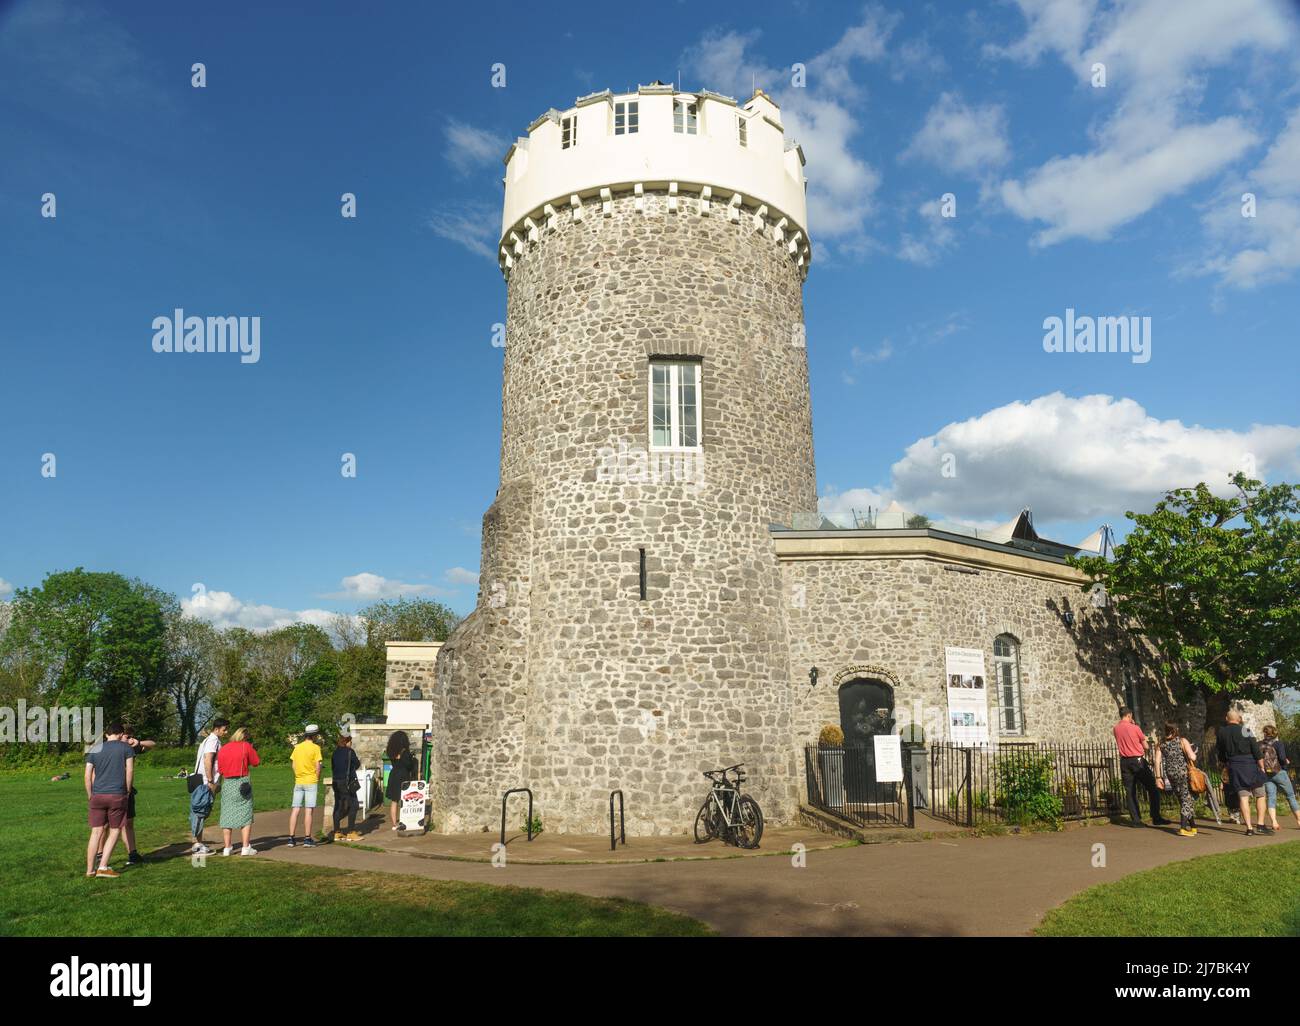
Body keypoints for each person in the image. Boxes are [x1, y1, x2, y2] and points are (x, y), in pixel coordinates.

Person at [84, 721, 135, 878]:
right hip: (117, 794)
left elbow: (87, 775)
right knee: (114, 831)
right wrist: (127, 791)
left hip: (97, 795)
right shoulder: (126, 748)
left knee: (96, 832)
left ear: (107, 734)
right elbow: (130, 771)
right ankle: (103, 867)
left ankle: (90, 870)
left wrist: (90, 795)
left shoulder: (94, 748)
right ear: (120, 734)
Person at [1113, 708, 1172, 827]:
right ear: (1129, 715)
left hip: (1124, 761)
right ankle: (1156, 817)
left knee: (1130, 792)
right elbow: (1145, 746)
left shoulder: (1116, 729)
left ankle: (1136, 820)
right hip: (1137, 760)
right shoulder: (1135, 728)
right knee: (1153, 788)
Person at [1216, 709, 1269, 835]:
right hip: (1250, 764)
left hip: (1234, 766)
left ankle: (1249, 828)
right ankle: (1260, 824)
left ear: (1226, 719)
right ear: (1238, 719)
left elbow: (1220, 752)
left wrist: (1226, 764)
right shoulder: (1245, 730)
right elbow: (1256, 750)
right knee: (1260, 794)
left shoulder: (1222, 732)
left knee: (1243, 797)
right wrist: (1261, 767)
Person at [217, 727, 261, 856]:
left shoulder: (223, 748)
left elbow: (220, 768)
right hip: (242, 782)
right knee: (246, 814)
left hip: (228, 783)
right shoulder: (246, 746)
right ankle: (245, 847)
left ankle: (227, 847)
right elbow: (256, 762)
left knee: (226, 814)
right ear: (245, 737)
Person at [1153, 722, 1199, 837]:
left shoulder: (1161, 743)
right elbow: (1192, 757)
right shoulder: (1182, 741)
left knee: (1183, 798)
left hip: (1170, 774)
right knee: (1187, 799)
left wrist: (1158, 777)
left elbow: (1157, 761)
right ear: (1175, 730)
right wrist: (1194, 752)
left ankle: (1193, 826)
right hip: (1183, 772)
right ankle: (1183, 828)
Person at [191, 719, 229, 854]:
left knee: (201, 812)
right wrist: (211, 780)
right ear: (217, 729)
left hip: (202, 780)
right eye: (224, 729)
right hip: (205, 781)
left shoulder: (209, 740)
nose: (226, 732)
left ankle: (198, 843)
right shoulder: (213, 741)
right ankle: (198, 845)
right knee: (200, 812)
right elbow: (208, 759)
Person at [287, 725, 323, 848]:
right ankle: (307, 838)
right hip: (311, 781)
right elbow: (318, 766)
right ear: (314, 736)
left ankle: (291, 838)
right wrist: (317, 777)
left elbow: (293, 764)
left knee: (295, 809)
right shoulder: (316, 748)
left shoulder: (297, 748)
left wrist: (297, 774)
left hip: (299, 781)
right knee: (309, 810)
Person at [1260, 724, 1300, 831]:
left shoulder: (1259, 744)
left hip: (1267, 775)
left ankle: (1274, 822)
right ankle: (1299, 821)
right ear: (1274, 733)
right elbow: (1282, 758)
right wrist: (1286, 763)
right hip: (1279, 772)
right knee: (1290, 796)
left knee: (1271, 797)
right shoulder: (1278, 744)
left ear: (1265, 733)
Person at [331, 731, 363, 840]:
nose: (351, 744)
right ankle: (351, 832)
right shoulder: (350, 752)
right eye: (351, 741)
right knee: (354, 805)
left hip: (336, 782)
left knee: (338, 806)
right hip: (347, 782)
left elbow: (333, 767)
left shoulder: (335, 753)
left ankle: (337, 832)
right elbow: (357, 764)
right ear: (347, 741)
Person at [385, 731, 418, 831]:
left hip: (393, 775)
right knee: (405, 801)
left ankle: (394, 824)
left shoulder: (391, 751)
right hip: (403, 776)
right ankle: (405, 821)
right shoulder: (405, 751)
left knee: (394, 801)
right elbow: (409, 766)